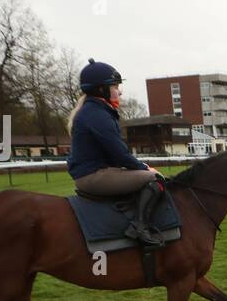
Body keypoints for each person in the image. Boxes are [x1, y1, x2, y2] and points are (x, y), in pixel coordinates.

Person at [66, 58, 165, 246]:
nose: (119, 91)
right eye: (115, 86)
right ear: (101, 89)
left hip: (98, 172)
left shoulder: (96, 110)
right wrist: (146, 169)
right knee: (155, 179)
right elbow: (120, 155)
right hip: (95, 176)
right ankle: (140, 227)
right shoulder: (97, 114)